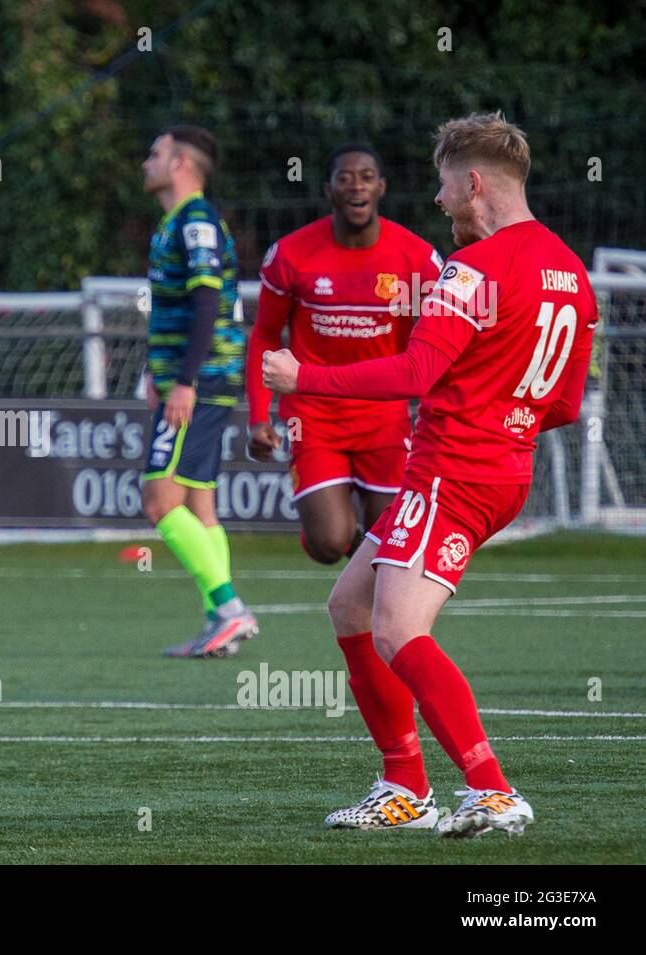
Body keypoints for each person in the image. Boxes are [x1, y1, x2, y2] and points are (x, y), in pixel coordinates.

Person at [263, 112, 598, 836]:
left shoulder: (476, 269)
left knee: (396, 627)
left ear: (474, 184)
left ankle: (492, 788)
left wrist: (303, 375)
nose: (439, 202)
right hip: (503, 473)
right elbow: (564, 403)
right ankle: (404, 786)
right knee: (349, 606)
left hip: (451, 470)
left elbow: (415, 371)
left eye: (444, 187)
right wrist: (501, 419)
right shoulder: (574, 272)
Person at [247, 145, 442, 563]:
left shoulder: (415, 260)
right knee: (329, 543)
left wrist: (432, 412)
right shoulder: (293, 255)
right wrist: (259, 417)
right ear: (329, 190)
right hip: (313, 418)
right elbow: (264, 336)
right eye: (345, 177)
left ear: (382, 187)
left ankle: (369, 618)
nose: (357, 185)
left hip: (386, 419)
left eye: (367, 176)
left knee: (389, 549)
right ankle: (332, 537)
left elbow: (432, 347)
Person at [138, 125, 257, 658]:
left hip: (203, 378)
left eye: (155, 153)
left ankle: (230, 608)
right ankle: (219, 623)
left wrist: (183, 381)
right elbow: (179, 307)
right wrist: (156, 371)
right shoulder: (174, 222)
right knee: (200, 503)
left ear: (181, 162)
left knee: (159, 499)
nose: (147, 162)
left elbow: (208, 303)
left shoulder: (197, 221)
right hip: (194, 376)